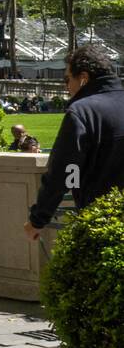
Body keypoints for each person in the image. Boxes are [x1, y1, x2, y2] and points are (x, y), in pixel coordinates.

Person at [26, 44, 124, 241]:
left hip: (103, 222)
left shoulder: (82, 112)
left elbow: (66, 170)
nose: (66, 87)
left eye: (67, 79)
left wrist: (38, 219)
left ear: (84, 78)